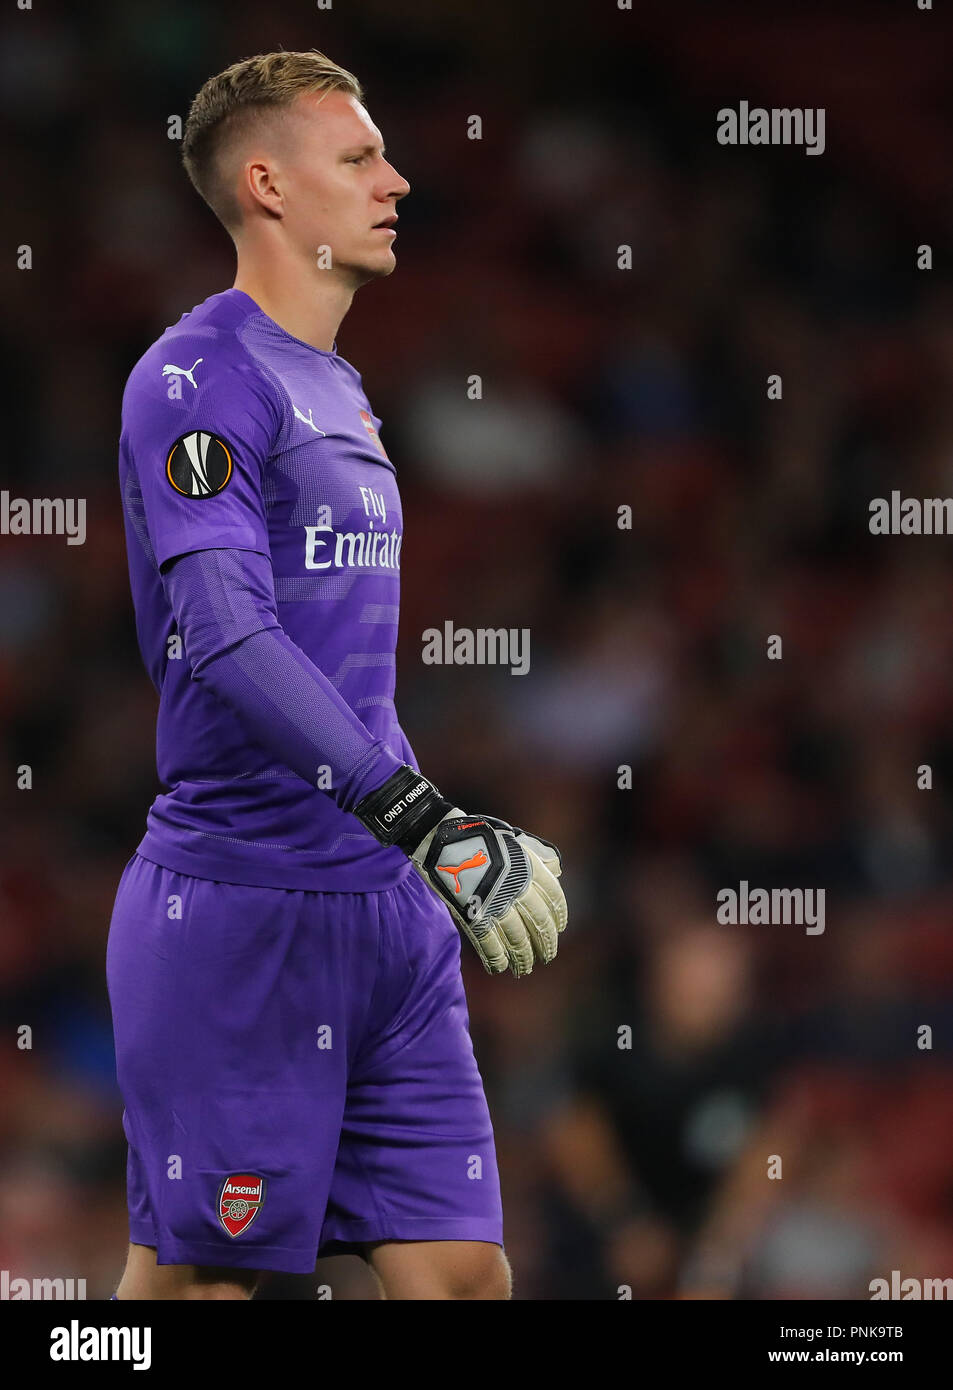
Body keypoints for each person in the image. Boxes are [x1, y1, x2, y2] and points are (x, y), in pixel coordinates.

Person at [106, 49, 568, 1301]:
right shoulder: (196, 377)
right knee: (202, 1289)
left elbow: (346, 677)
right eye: (359, 158)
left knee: (460, 1275)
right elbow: (225, 631)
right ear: (266, 184)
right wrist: (423, 818)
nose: (395, 180)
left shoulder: (341, 389)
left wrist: (429, 834)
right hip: (242, 913)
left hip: (388, 915)